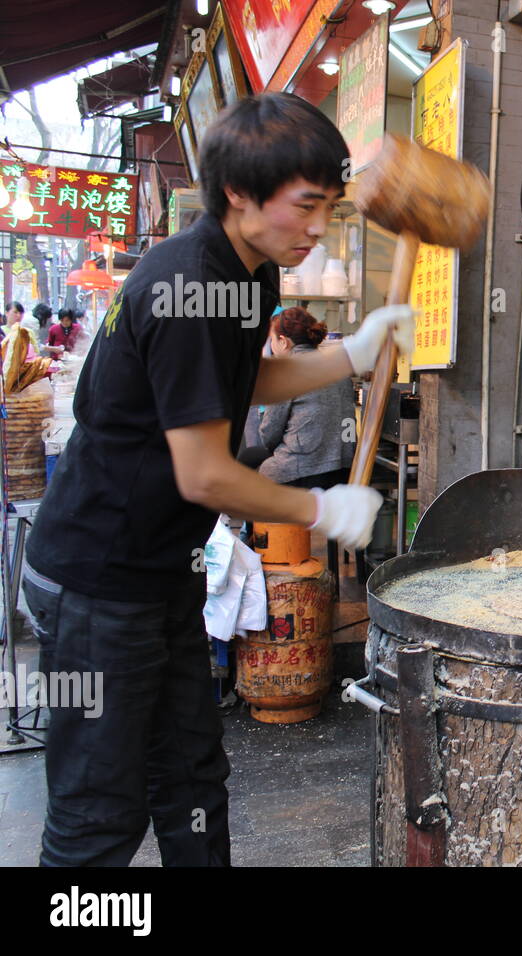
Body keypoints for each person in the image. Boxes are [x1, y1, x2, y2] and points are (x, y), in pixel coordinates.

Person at [22, 91, 415, 867]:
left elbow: (239, 382)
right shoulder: (183, 286)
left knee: (193, 780)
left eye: (329, 208)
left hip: (159, 573)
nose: (316, 228)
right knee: (99, 812)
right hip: (97, 581)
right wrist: (318, 504)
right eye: (305, 206)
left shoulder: (250, 274)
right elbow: (203, 473)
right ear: (238, 193)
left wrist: (347, 353)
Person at [239, 307, 354, 488]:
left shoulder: (286, 371)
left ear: (283, 341)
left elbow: (269, 434)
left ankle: (248, 512)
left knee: (246, 464)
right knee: (253, 457)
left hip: (303, 470)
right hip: (343, 469)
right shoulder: (339, 368)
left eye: (272, 340)